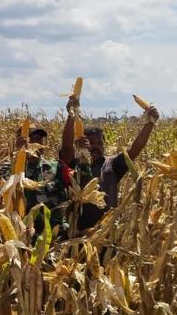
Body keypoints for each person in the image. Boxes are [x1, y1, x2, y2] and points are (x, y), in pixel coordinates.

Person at [59, 94, 159, 232]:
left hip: (107, 232)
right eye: (91, 143)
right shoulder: (75, 164)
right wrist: (71, 114)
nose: (96, 147)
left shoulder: (112, 164)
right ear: (81, 143)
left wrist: (150, 123)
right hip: (78, 233)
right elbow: (66, 148)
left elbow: (135, 148)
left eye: (100, 143)